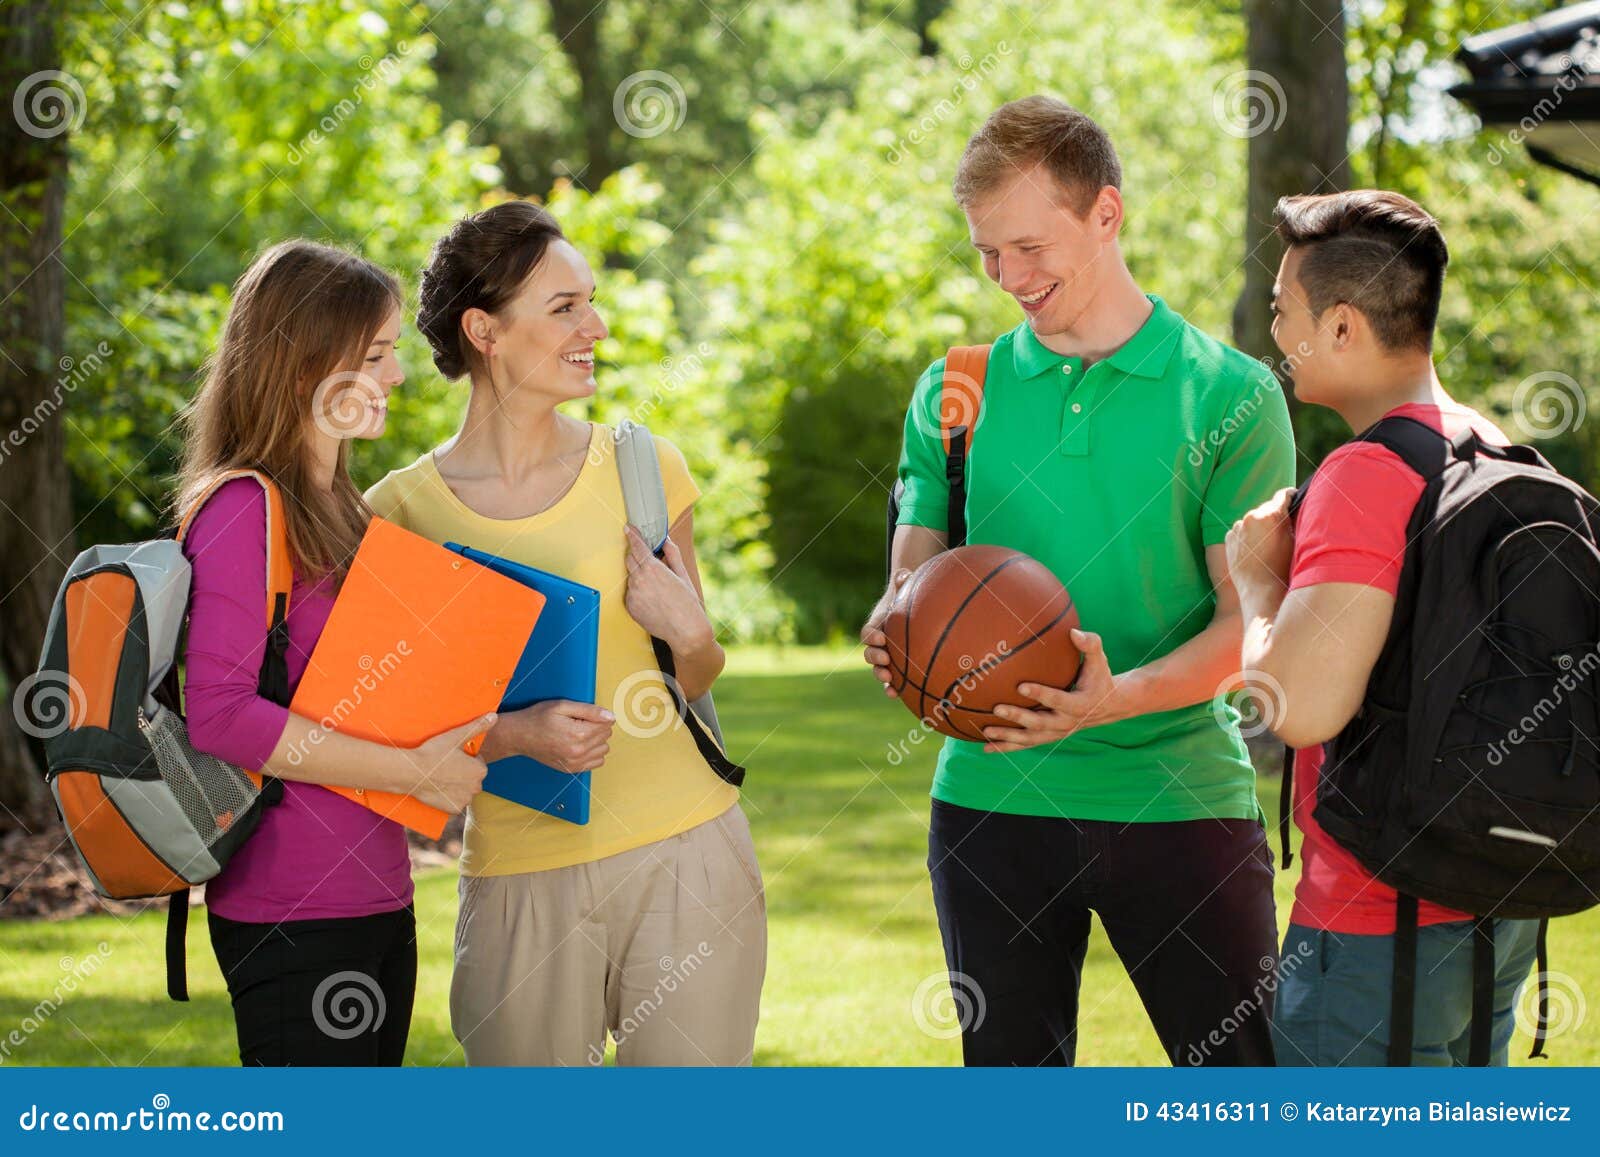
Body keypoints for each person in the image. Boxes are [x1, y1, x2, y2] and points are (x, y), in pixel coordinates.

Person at [860, 96, 1295, 1066]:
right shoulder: (956, 386)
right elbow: (917, 566)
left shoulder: (1227, 394)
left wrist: (1108, 701)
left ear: (1106, 213)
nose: (1008, 278)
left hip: (1177, 794)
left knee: (1244, 1089)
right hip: (990, 801)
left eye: (1027, 246)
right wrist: (897, 620)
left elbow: (1245, 623)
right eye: (985, 254)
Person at [365, 201, 765, 1067]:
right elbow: (388, 740)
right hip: (517, 877)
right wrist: (511, 734)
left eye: (592, 300)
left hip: (686, 852)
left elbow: (698, 672)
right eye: (564, 307)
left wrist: (690, 630)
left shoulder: (641, 466)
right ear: (485, 330)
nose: (598, 324)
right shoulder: (398, 515)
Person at [1225, 189, 1539, 1066]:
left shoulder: (1366, 473)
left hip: (1376, 919)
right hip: (1495, 900)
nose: (1278, 338)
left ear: (1342, 327)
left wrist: (1256, 581)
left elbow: (1299, 708)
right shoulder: (1493, 448)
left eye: (1286, 314)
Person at [178, 239, 492, 1066]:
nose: (396, 375)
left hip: (376, 894)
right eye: (378, 354)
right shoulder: (245, 506)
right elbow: (218, 713)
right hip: (291, 908)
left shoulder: (342, 506)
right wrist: (413, 775)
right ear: (306, 365)